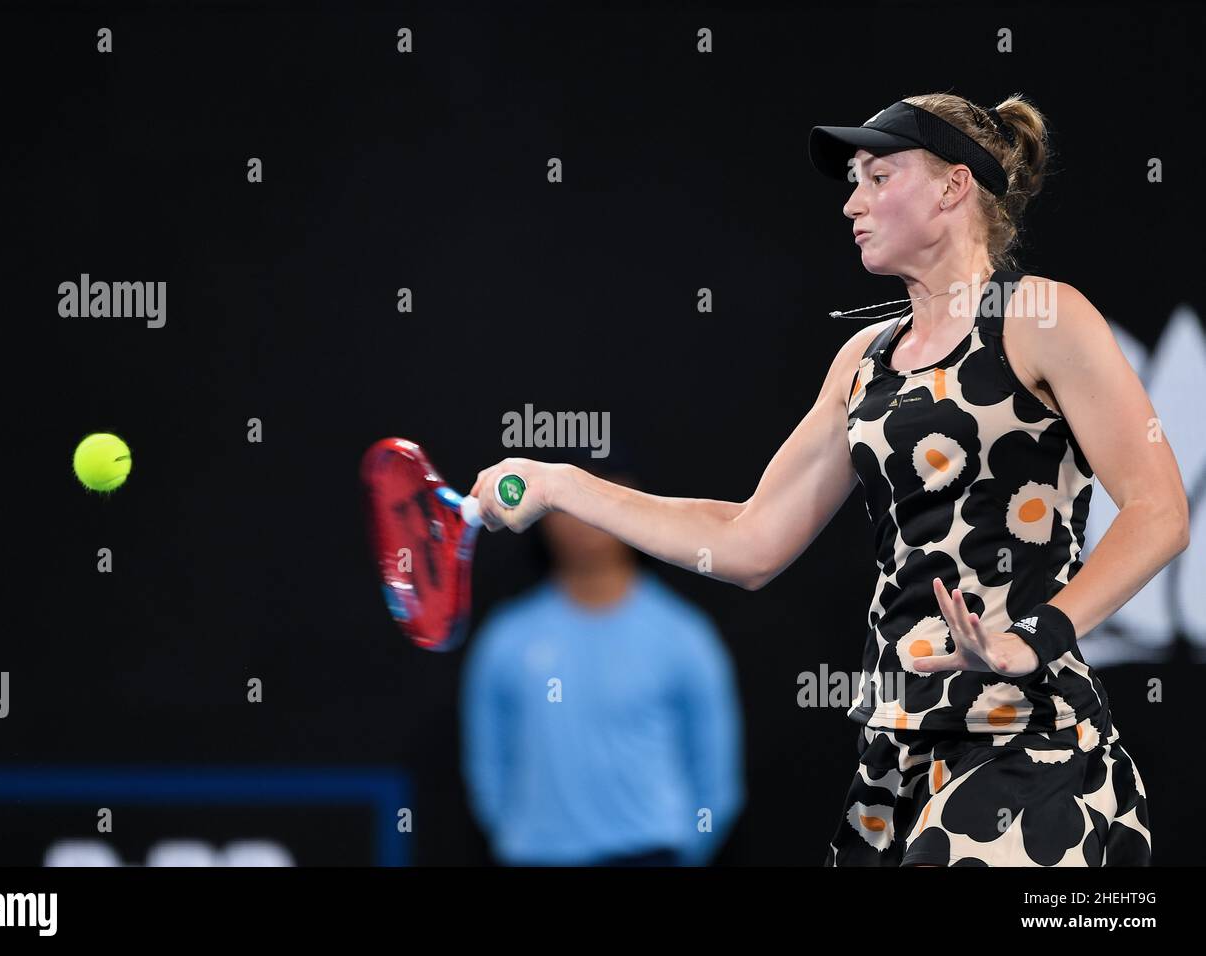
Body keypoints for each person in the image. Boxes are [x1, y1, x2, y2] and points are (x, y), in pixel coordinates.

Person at [465, 93, 1191, 866]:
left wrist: (1032, 636)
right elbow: (746, 542)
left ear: (953, 187)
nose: (852, 202)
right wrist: (559, 483)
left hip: (1031, 742)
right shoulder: (864, 361)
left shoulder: (1041, 316)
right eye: (853, 180)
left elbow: (1159, 510)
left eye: (880, 176)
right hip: (899, 752)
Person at [460, 458, 745, 866]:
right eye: (563, 500)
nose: (579, 516)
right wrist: (524, 837)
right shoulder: (506, 638)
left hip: (649, 856)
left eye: (594, 493)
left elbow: (717, 781)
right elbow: (487, 768)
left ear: (629, 501)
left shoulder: (684, 635)